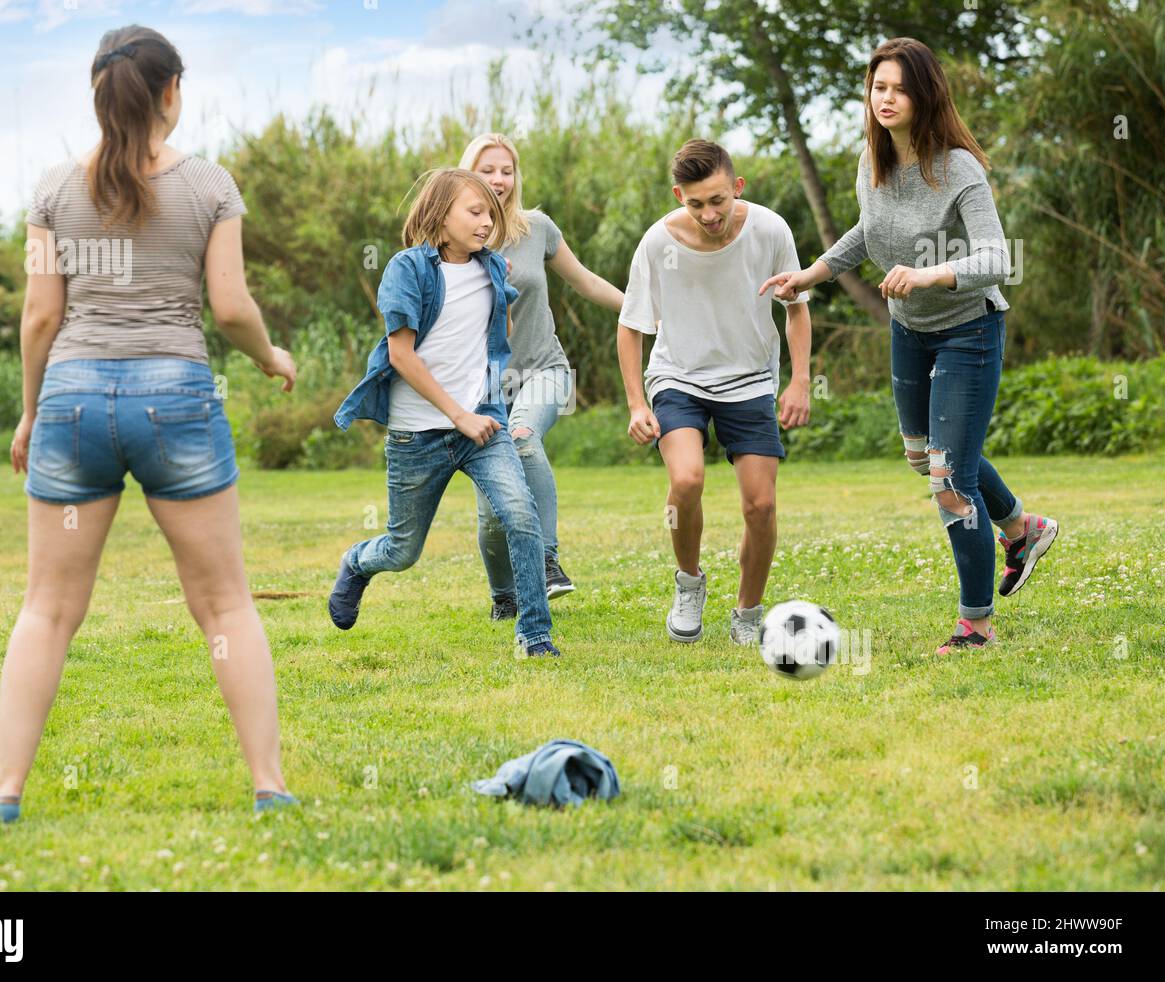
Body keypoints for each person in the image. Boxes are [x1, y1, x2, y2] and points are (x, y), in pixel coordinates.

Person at [0, 25, 299, 827]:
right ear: (172, 92)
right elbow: (229, 308)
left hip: (73, 402)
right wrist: (269, 357)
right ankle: (269, 789)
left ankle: (4, 797)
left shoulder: (53, 190)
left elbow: (40, 319)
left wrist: (30, 410)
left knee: (46, 608)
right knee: (225, 605)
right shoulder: (211, 186)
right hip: (175, 399)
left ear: (98, 96)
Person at [760, 36, 1058, 654]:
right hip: (909, 332)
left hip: (968, 332)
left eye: (898, 88)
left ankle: (975, 624)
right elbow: (870, 233)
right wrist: (811, 274)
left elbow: (998, 259)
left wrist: (927, 273)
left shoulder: (959, 170)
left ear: (923, 95)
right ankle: (1021, 529)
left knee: (950, 479)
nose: (885, 98)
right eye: (878, 87)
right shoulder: (874, 163)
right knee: (927, 459)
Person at [331, 168, 559, 657]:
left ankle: (535, 635)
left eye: (490, 216)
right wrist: (459, 415)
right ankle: (356, 563)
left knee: (521, 515)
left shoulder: (492, 267)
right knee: (402, 550)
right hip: (419, 435)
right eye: (475, 213)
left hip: (483, 424)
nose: (486, 224)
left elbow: (502, 322)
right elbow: (401, 355)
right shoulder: (407, 269)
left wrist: (483, 392)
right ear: (440, 214)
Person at [617, 139, 812, 645]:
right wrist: (637, 402)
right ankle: (688, 583)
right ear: (679, 195)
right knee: (685, 480)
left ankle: (748, 613)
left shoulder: (770, 229)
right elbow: (631, 325)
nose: (708, 214)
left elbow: (795, 308)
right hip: (678, 376)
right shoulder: (657, 243)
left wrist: (799, 379)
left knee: (761, 506)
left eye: (718, 200)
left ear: (737, 188)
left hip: (749, 379)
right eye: (695, 203)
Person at [459, 132, 624, 621]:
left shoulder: (538, 229)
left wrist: (642, 313)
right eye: (487, 169)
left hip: (544, 370)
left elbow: (585, 280)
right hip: (482, 389)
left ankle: (547, 560)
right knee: (492, 511)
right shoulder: (448, 241)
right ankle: (503, 596)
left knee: (525, 436)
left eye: (506, 170)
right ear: (468, 174)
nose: (498, 179)